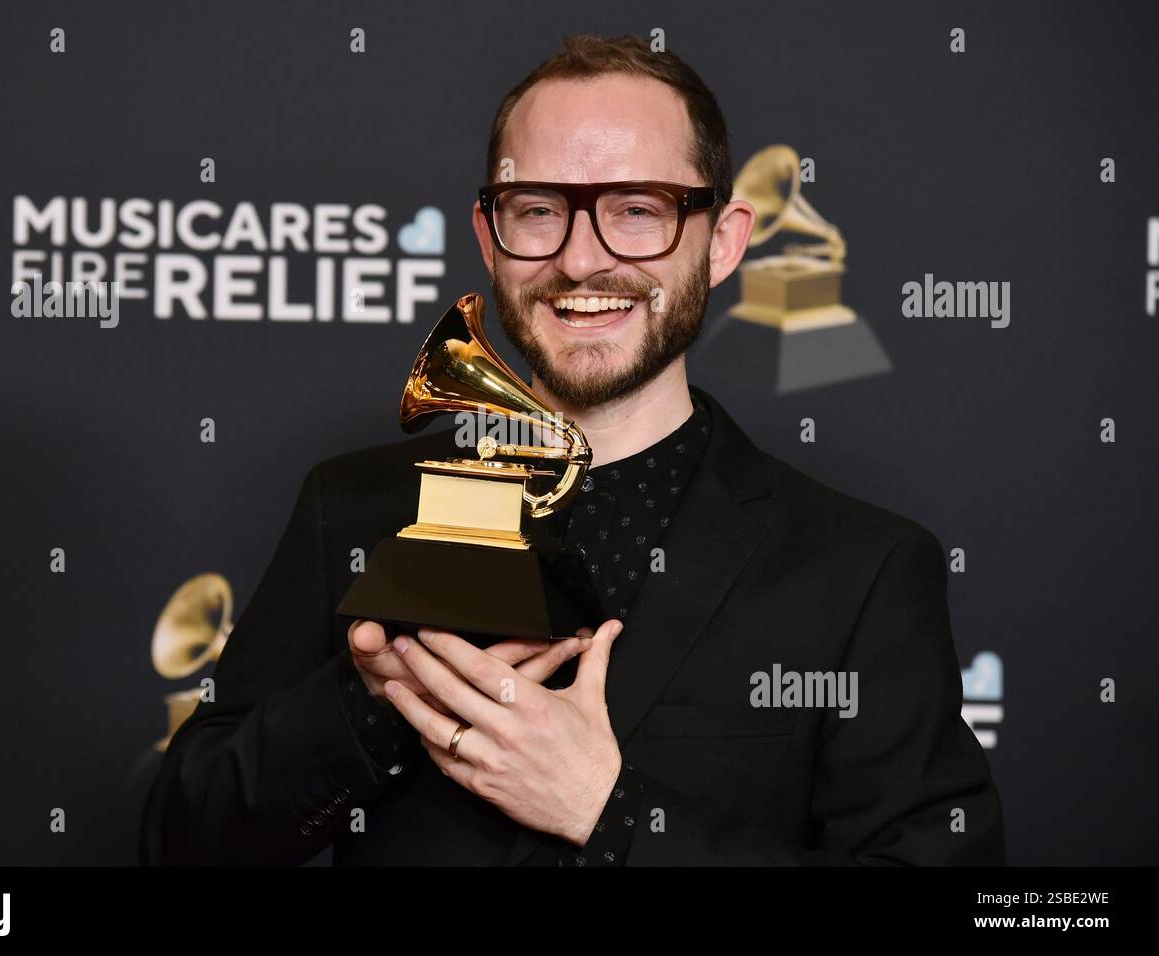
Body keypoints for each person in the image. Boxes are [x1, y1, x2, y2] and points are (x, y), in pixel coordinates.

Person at [139, 33, 1004, 866]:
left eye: (637, 211)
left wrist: (609, 813)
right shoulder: (354, 508)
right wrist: (372, 700)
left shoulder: (863, 570)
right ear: (489, 238)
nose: (580, 259)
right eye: (539, 210)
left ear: (725, 241)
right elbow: (183, 838)